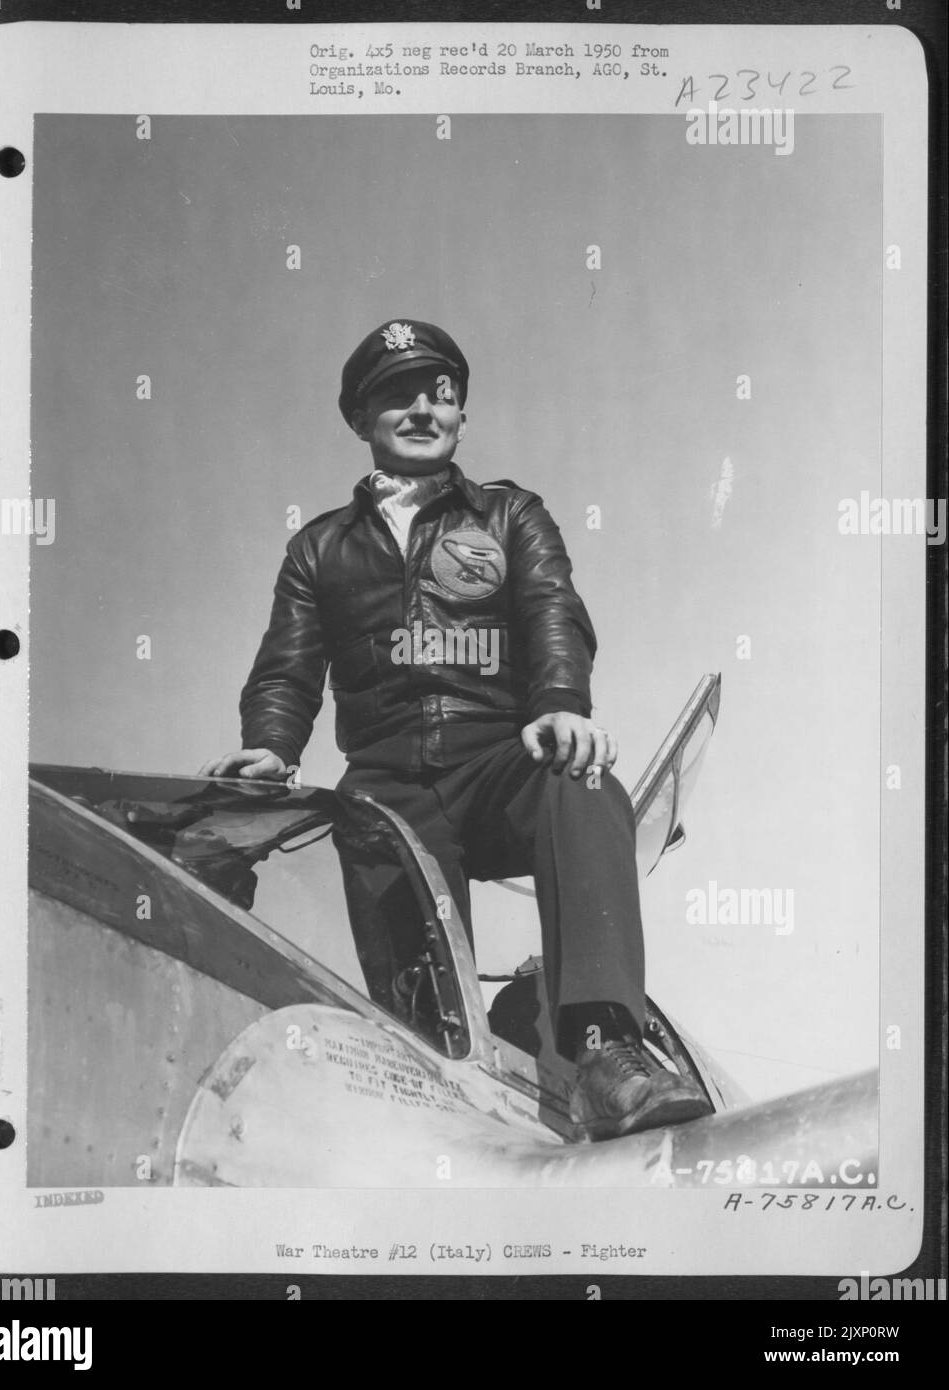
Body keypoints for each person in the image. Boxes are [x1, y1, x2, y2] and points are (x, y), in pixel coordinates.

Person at [200, 319, 712, 1140]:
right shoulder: (318, 548)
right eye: (398, 394)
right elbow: (288, 667)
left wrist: (560, 704)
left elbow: (552, 610)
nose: (422, 408)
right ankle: (434, 1105)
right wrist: (271, 742)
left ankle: (606, 1054)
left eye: (440, 393)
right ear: (362, 420)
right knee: (424, 1025)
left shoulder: (511, 515)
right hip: (389, 785)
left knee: (580, 782)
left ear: (460, 417)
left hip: (499, 759)